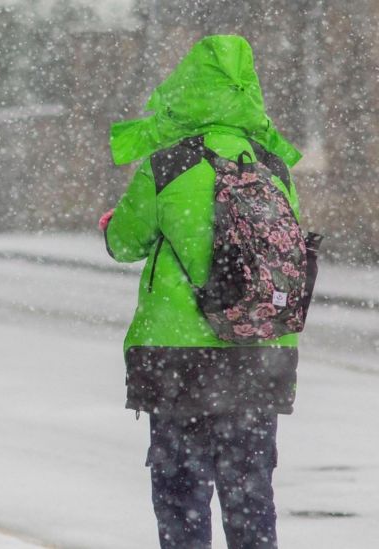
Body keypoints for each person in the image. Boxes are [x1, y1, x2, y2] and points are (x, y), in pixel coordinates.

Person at [101, 35, 303, 549]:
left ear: (187, 88)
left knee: (181, 493)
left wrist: (113, 224)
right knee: (250, 492)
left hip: (180, 355)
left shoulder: (168, 165)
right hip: (260, 350)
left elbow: (124, 243)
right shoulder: (273, 166)